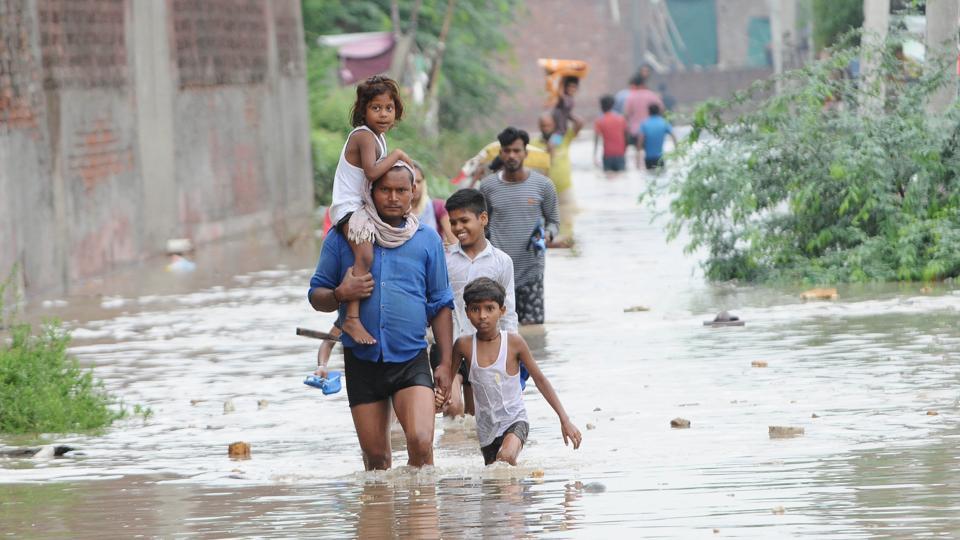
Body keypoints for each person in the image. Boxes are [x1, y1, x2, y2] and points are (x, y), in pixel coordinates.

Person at [309, 163, 455, 471]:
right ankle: (381, 516)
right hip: (362, 360)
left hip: (410, 357)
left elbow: (441, 303)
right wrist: (340, 293)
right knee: (377, 461)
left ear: (413, 192)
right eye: (384, 190)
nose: (392, 197)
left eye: (401, 190)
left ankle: (422, 511)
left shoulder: (427, 240)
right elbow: (316, 296)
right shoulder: (342, 238)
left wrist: (444, 362)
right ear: (370, 192)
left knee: (420, 440)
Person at [451, 278, 581, 465]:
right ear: (467, 312)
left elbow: (540, 380)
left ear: (502, 311)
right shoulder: (463, 346)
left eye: (489, 308)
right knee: (496, 478)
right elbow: (447, 382)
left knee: (505, 457)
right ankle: (522, 493)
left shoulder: (513, 343)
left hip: (515, 419)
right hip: (486, 430)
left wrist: (565, 419)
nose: (482, 316)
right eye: (475, 309)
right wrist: (440, 398)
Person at [329, 75, 415, 346]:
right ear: (363, 110)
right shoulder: (365, 137)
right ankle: (351, 319)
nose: (383, 114)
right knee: (364, 254)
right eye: (376, 108)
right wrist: (399, 155)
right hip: (349, 207)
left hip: (363, 206)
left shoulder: (378, 137)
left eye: (388, 108)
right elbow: (372, 171)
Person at [441, 189, 519, 417]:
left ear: (483, 219)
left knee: (478, 414)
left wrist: (511, 351)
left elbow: (509, 309)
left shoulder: (501, 261)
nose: (457, 228)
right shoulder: (445, 259)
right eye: (453, 222)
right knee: (453, 406)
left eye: (464, 221)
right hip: (449, 342)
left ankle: (467, 451)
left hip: (484, 345)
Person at [479, 127, 560, 326]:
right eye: (507, 151)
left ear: (526, 153)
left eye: (516, 150)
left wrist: (547, 235)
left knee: (533, 331)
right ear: (501, 153)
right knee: (500, 331)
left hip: (532, 270)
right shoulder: (488, 187)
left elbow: (554, 222)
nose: (511, 155)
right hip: (497, 274)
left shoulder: (544, 185)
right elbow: (482, 226)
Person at [410, 160, 456, 245]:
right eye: (411, 181)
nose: (415, 186)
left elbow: (453, 241)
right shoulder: (397, 210)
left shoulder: (438, 207)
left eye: (419, 181)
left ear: (424, 183)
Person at [623, 73, 664, 169]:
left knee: (637, 153)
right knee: (651, 155)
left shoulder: (631, 97)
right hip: (651, 131)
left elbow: (626, 115)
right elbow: (662, 109)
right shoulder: (652, 95)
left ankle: (638, 169)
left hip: (635, 132)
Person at [593, 94, 628, 173]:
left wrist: (594, 156)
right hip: (620, 154)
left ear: (601, 105)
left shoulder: (599, 121)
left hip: (607, 154)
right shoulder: (621, 119)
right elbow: (626, 136)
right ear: (613, 105)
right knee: (621, 178)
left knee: (608, 178)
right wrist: (625, 150)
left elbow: (596, 140)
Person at [637, 104, 677, 171]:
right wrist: (676, 153)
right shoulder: (664, 122)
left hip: (648, 158)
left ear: (649, 112)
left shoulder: (644, 124)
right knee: (661, 177)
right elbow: (674, 137)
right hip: (660, 158)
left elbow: (639, 143)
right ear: (659, 111)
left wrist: (637, 161)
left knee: (649, 177)